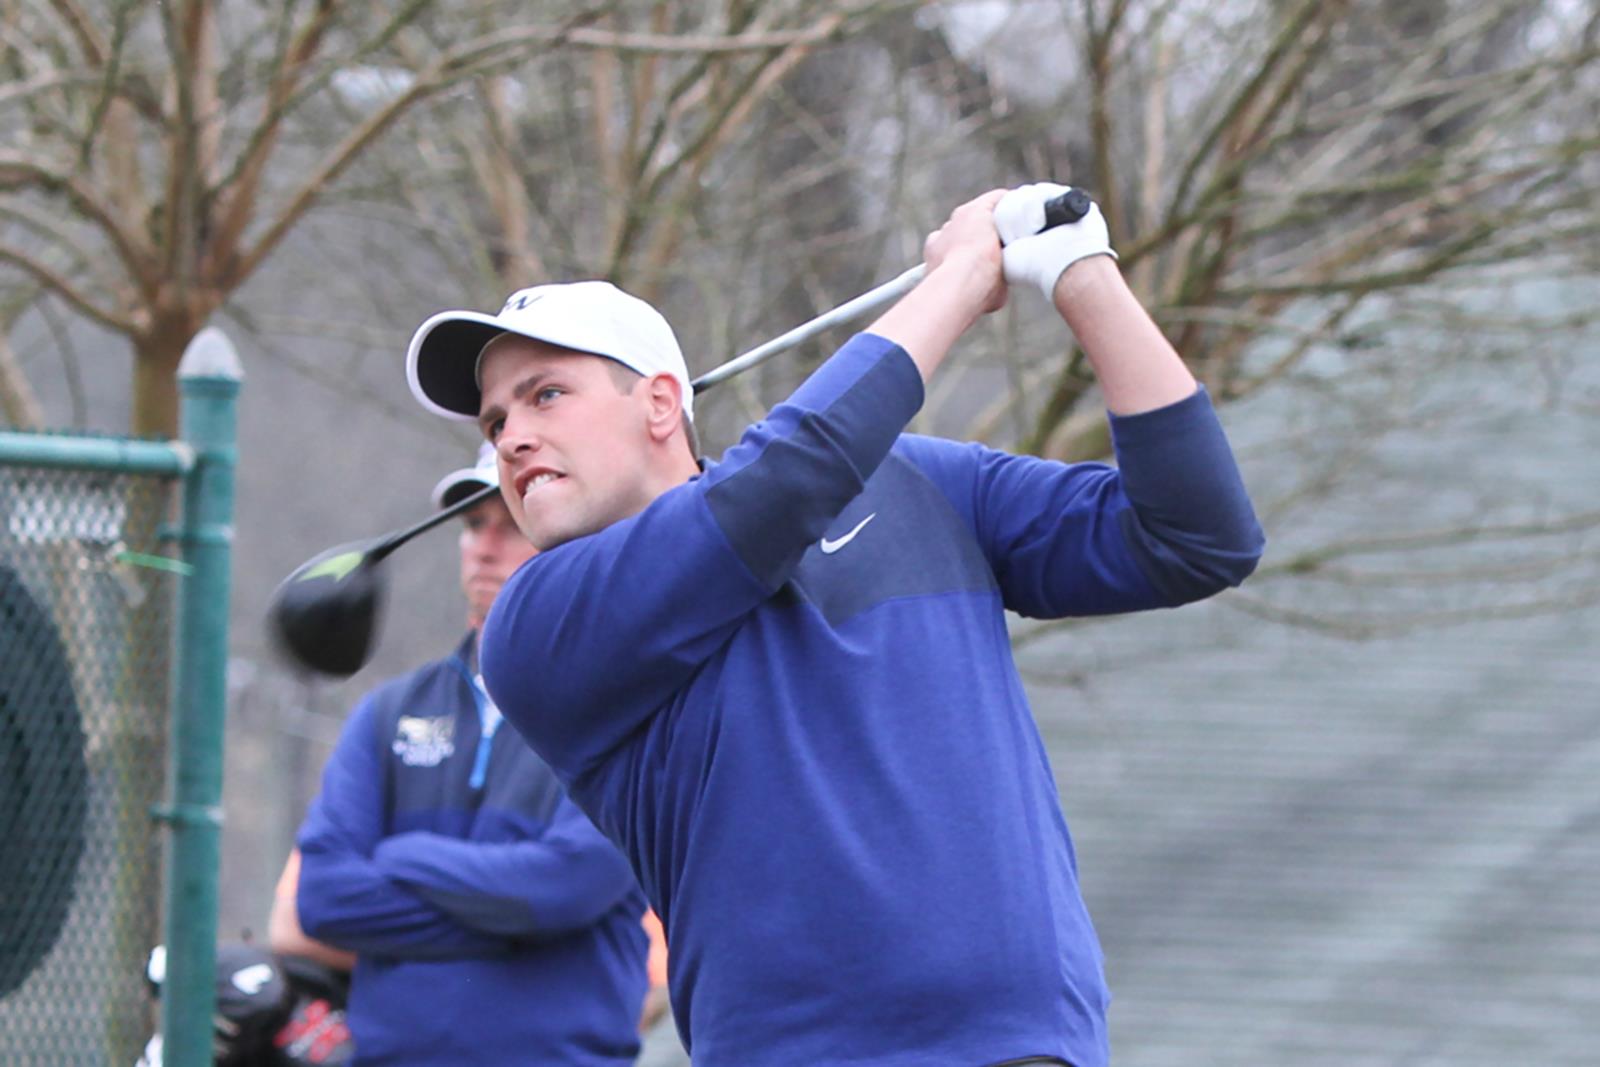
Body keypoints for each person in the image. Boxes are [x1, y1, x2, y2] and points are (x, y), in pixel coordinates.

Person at [403, 184, 1266, 1067]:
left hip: (1026, 1049)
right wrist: (956, 282)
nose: (509, 438)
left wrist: (1082, 274)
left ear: (661, 404)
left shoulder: (916, 484)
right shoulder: (540, 621)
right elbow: (781, 482)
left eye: (545, 395)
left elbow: (1198, 539)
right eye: (497, 419)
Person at [269, 444, 652, 1065]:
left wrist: (404, 855)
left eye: (509, 523)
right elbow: (326, 899)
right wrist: (514, 929)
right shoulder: (388, 713)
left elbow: (564, 888)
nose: (483, 545)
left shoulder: (624, 711)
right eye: (474, 525)